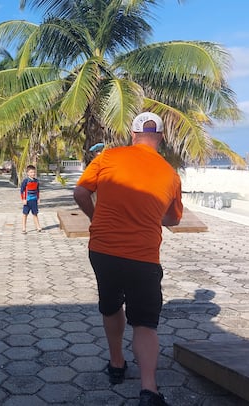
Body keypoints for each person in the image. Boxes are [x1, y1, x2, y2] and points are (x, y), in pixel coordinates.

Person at [73, 112, 183, 406]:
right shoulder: (170, 174)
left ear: (133, 135)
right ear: (160, 138)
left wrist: (96, 219)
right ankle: (149, 390)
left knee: (110, 306)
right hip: (144, 256)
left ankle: (117, 364)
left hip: (103, 250)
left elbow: (81, 192)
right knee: (145, 323)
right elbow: (172, 219)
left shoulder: (108, 157)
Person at [20, 164, 42, 234]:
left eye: (34, 172)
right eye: (31, 172)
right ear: (28, 173)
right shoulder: (26, 181)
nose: (33, 173)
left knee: (35, 214)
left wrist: (38, 198)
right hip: (27, 200)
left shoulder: (36, 181)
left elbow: (38, 190)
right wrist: (23, 199)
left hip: (34, 200)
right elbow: (22, 191)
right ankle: (24, 228)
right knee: (25, 214)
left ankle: (38, 227)